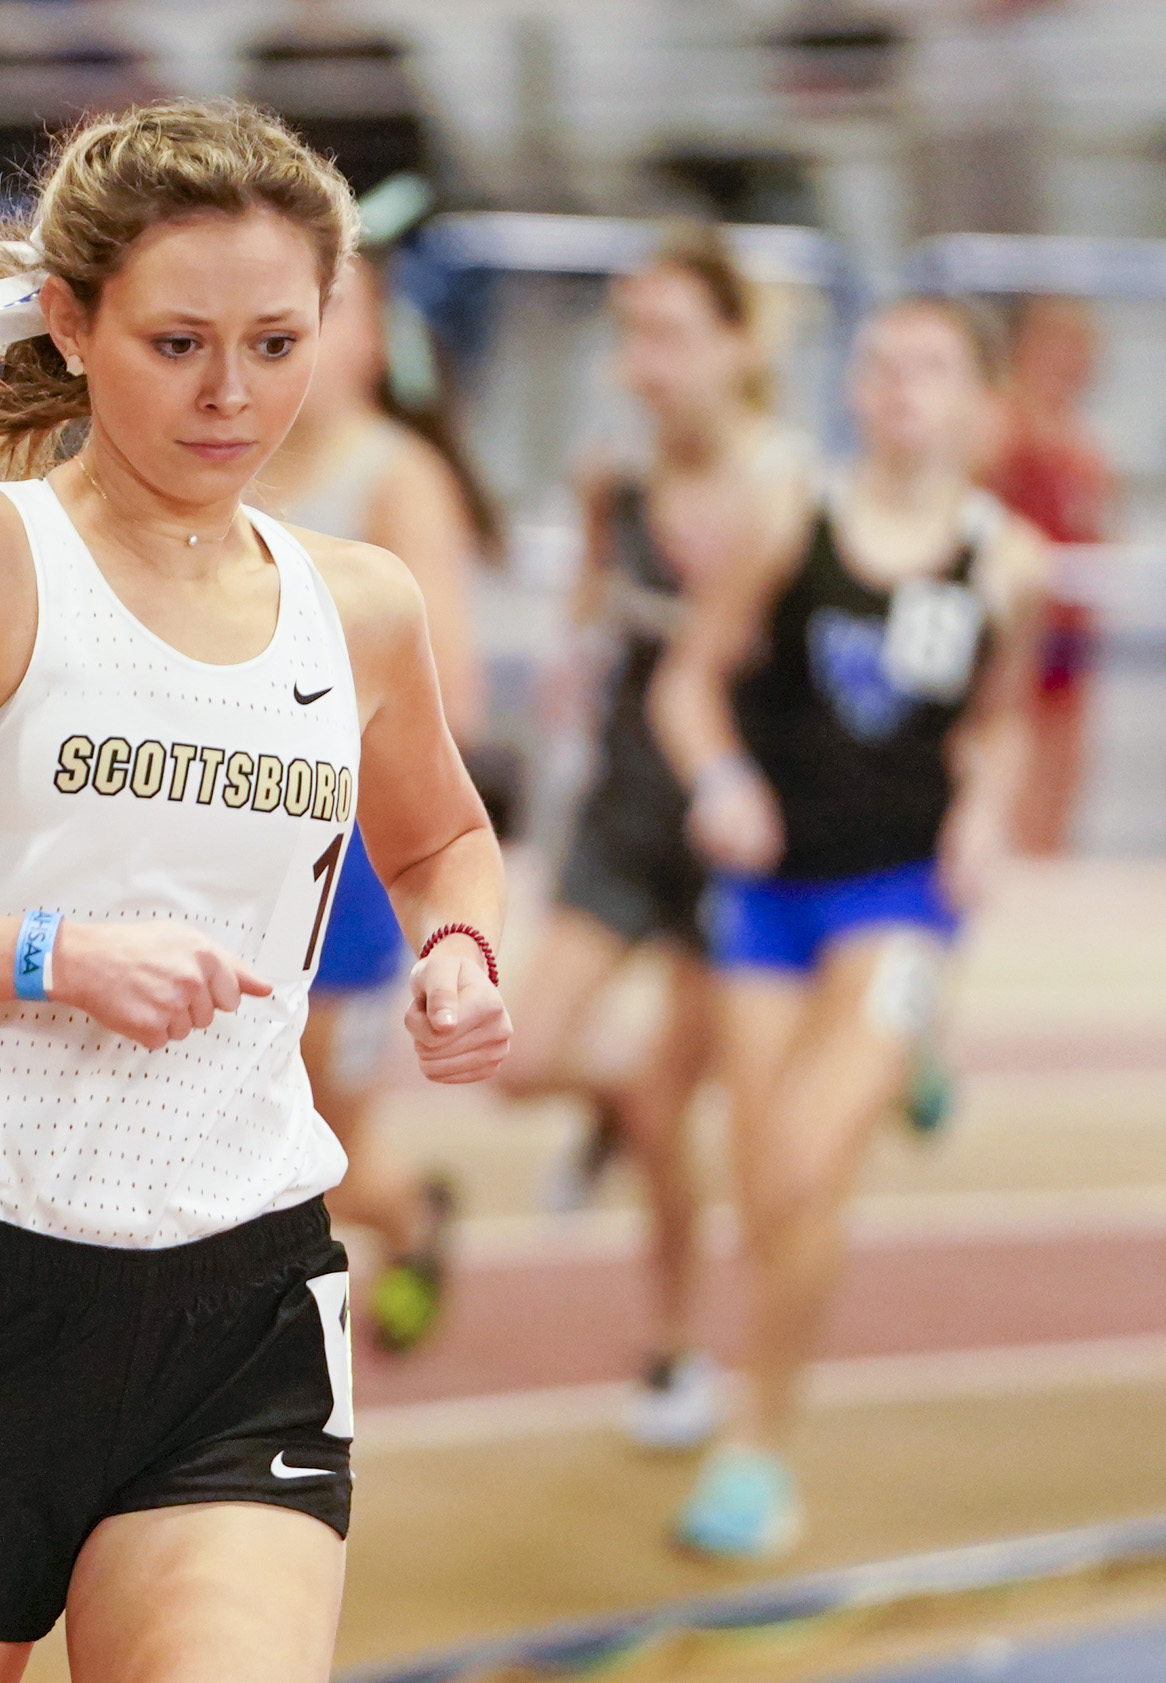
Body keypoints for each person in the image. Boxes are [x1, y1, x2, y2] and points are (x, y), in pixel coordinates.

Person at [0, 99, 511, 1683]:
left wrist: (460, 947)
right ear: (71, 318)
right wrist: (46, 954)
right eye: (178, 342)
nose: (229, 394)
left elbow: (444, 838)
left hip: (244, 1303)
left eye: (275, 343)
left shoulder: (360, 606)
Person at [653, 296, 1045, 1559]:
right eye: (878, 363)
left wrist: (986, 810)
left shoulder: (1007, 561)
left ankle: (756, 1450)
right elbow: (690, 677)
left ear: (983, 404)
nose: (898, 388)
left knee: (811, 1165)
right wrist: (722, 780)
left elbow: (999, 719)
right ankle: (907, 1057)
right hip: (773, 893)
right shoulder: (792, 517)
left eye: (930, 368)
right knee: (769, 1183)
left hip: (901, 895)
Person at [490, 227, 812, 1453]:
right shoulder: (611, 480)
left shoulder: (789, 492)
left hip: (733, 833)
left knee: (695, 1126)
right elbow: (587, 619)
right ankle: (616, 1096)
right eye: (632, 337)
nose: (645, 363)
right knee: (521, 1059)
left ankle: (674, 1354)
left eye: (671, 334)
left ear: (736, 343)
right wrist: (563, 694)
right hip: (625, 814)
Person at [252, 247, 495, 1351]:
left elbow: (456, 692)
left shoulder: (398, 476)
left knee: (317, 1135)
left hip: (344, 853)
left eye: (320, 315)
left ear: (367, 337)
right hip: (229, 828)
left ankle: (410, 1212)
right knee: (239, 1111)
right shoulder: (221, 461)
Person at [988, 295, 1112, 856]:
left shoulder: (1087, 455)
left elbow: (1096, 539)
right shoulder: (997, 431)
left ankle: (1044, 857)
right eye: (1055, 346)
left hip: (1068, 632)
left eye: (1078, 350)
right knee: (1004, 740)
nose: (1069, 362)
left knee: (1064, 755)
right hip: (1012, 628)